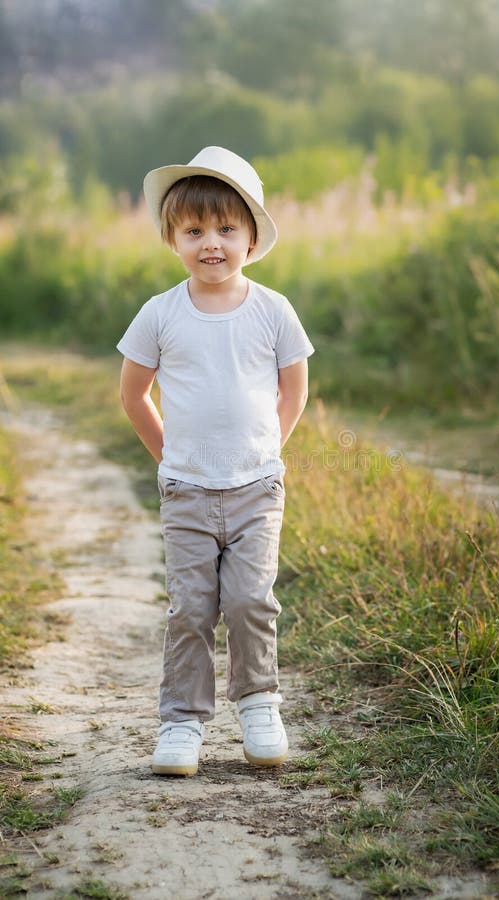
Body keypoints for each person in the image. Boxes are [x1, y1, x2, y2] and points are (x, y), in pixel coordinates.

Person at [117, 146, 314, 775]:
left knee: (253, 599)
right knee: (192, 607)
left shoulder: (273, 310)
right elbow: (133, 392)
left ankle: (259, 703)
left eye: (227, 229)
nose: (212, 243)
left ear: (251, 239)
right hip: (187, 491)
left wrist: (267, 450)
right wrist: (169, 454)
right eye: (195, 230)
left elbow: (294, 388)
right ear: (173, 237)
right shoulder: (160, 313)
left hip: (258, 486)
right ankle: (181, 721)